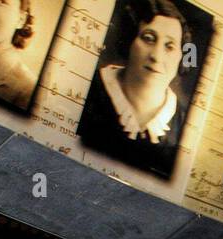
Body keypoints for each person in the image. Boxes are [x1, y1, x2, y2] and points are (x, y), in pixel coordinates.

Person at [78, 0, 194, 177]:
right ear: (130, 42)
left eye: (169, 46)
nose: (156, 56)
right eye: (148, 39)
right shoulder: (87, 89)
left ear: (181, 57)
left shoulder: (185, 125)